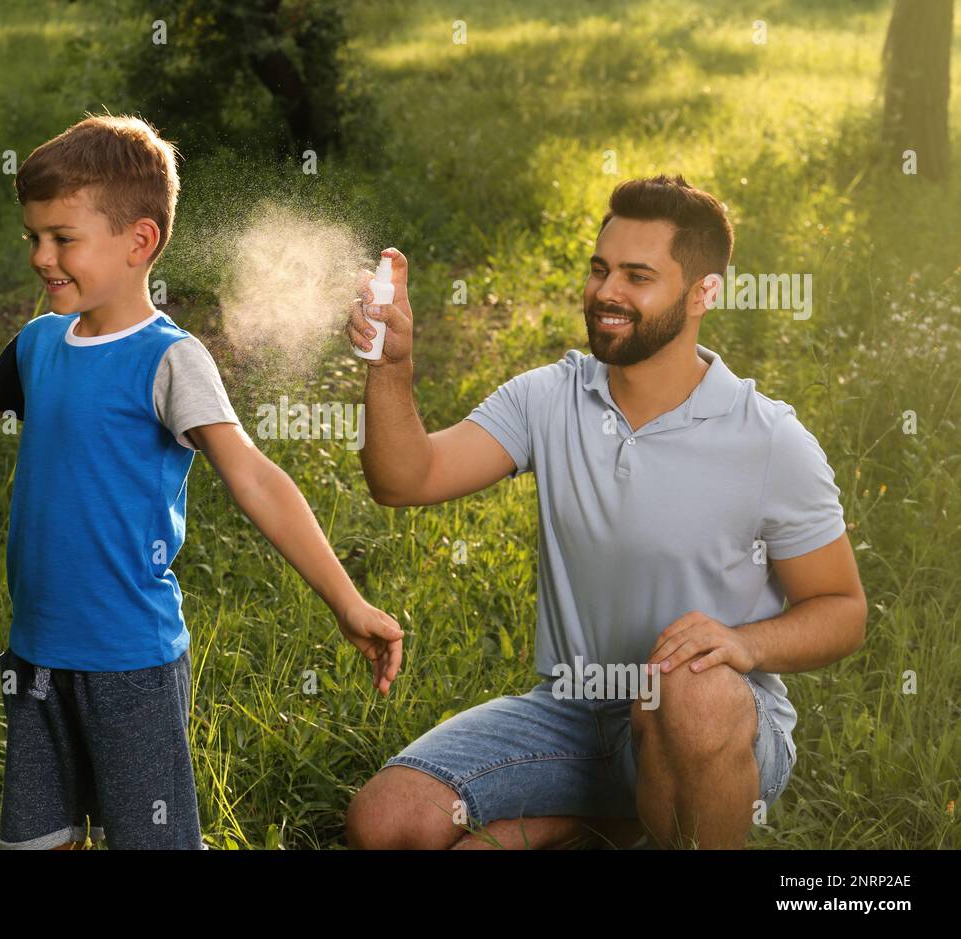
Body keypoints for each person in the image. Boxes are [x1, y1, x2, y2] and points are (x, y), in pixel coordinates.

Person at [0, 113, 404, 850]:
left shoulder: (169, 360)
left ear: (140, 241)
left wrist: (345, 600)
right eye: (33, 236)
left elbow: (254, 476)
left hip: (131, 665)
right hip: (34, 656)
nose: (40, 255)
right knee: (35, 837)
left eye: (63, 238)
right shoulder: (38, 344)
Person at [343, 175, 866, 849]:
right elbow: (404, 478)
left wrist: (745, 644)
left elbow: (843, 608)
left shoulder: (768, 440)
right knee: (383, 824)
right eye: (600, 269)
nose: (607, 292)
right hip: (572, 714)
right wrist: (391, 363)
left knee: (686, 685)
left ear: (704, 292)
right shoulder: (549, 397)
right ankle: (605, 823)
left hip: (713, 725)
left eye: (637, 276)